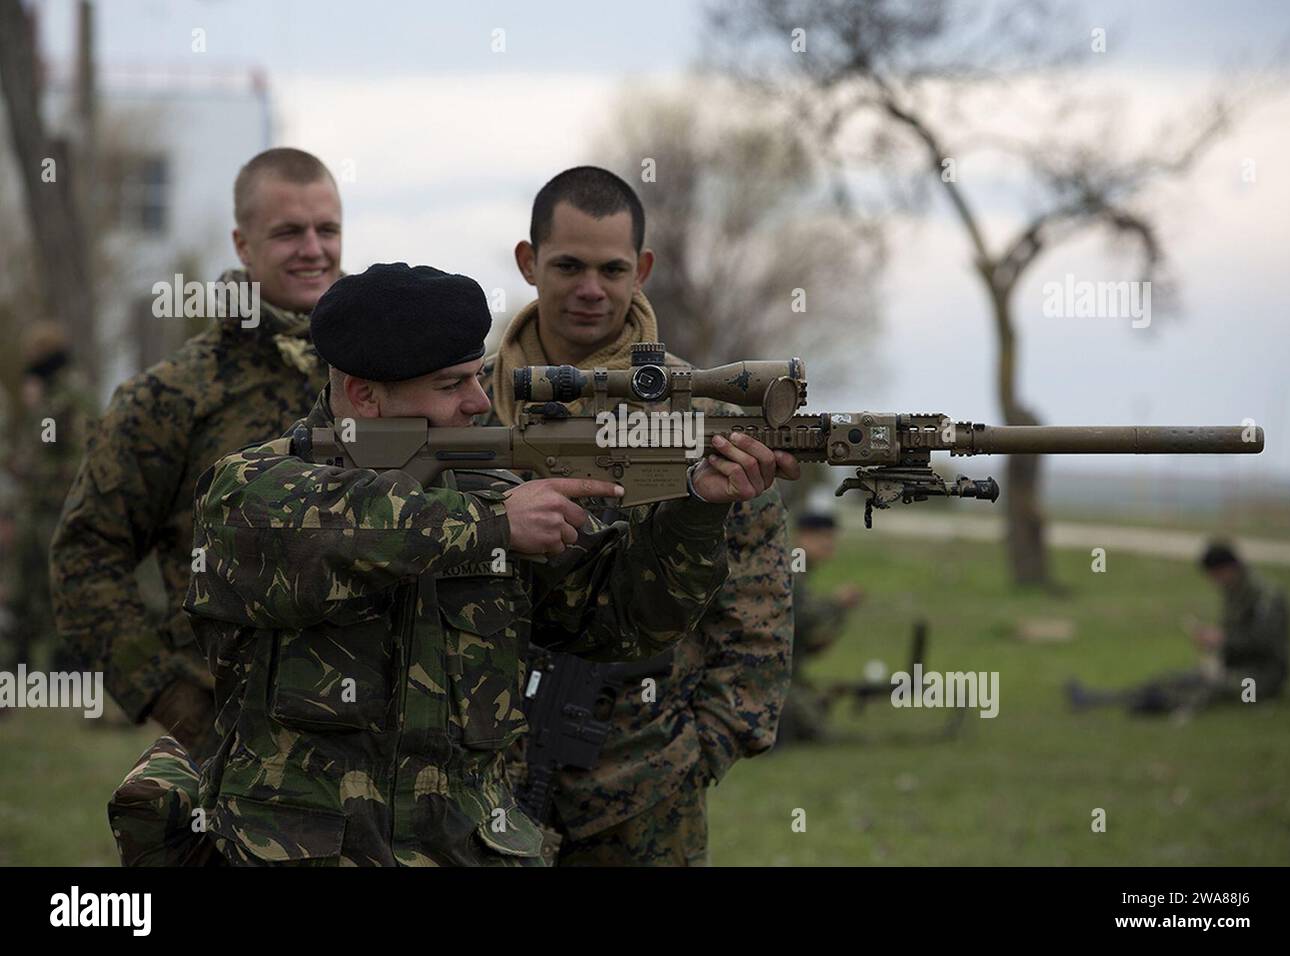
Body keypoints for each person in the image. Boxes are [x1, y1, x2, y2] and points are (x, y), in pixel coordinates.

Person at [181, 261, 798, 866]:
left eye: (478, 376)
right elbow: (327, 532)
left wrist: (696, 507)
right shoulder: (251, 489)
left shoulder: (487, 486)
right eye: (451, 385)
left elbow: (622, 619)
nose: (480, 402)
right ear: (364, 395)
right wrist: (497, 526)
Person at [481, 166, 794, 866]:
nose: (590, 289)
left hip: (641, 792)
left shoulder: (703, 417)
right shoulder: (468, 401)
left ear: (642, 270)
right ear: (528, 263)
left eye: (611, 268)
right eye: (567, 265)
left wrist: (697, 751)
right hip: (477, 786)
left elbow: (758, 608)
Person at [50, 148, 339, 760]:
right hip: (237, 748)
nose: (313, 249)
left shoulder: (380, 381)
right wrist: (168, 697)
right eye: (289, 232)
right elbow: (86, 555)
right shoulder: (171, 397)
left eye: (327, 229)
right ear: (243, 243)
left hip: (376, 747)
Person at [1068, 541, 1290, 715]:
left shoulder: (1265, 597)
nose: (1215, 583)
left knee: (1209, 687)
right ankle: (1099, 698)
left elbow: (1264, 644)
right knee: (1174, 678)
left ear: (1228, 569)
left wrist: (1222, 640)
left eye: (1215, 576)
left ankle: (1158, 704)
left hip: (1262, 680)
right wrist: (1216, 640)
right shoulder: (1237, 592)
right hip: (1236, 669)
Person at [2, 323, 95, 675]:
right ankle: (20, 662)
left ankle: (67, 662)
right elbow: (39, 449)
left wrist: (35, 475)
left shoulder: (70, 396)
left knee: (61, 584)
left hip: (60, 509)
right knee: (27, 587)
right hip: (36, 509)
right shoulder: (46, 396)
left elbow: (82, 456)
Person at [777, 512, 864, 744]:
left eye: (832, 537)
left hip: (786, 671)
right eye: (822, 537)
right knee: (811, 725)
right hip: (772, 675)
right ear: (802, 537)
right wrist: (837, 604)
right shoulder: (793, 564)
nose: (829, 544)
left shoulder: (799, 565)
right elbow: (799, 615)